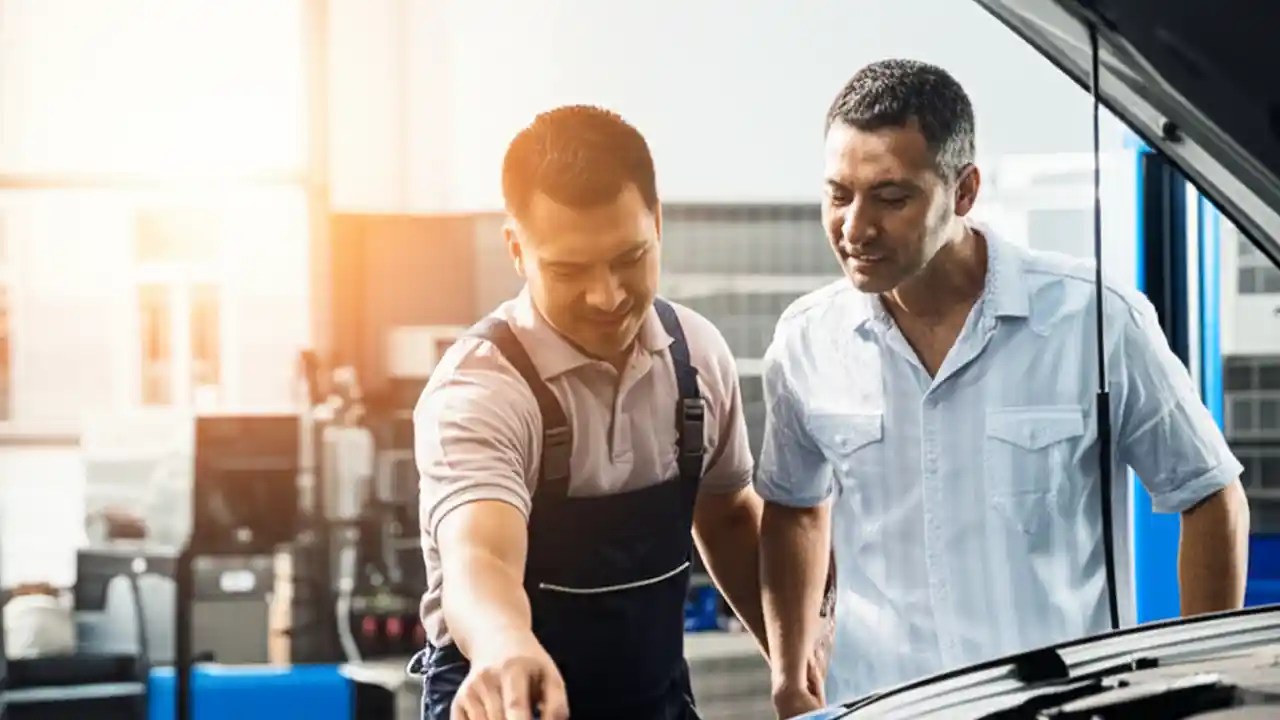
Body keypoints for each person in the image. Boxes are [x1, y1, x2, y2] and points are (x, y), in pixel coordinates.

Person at [755, 59, 1252, 717]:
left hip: (1066, 707)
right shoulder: (806, 341)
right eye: (838, 194)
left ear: (963, 192)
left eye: (891, 197)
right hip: (881, 706)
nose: (854, 228)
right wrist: (791, 673)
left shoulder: (1095, 319)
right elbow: (793, 508)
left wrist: (1202, 676)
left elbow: (1210, 495)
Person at [409, 104, 767, 720]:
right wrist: (504, 647)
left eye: (629, 258)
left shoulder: (697, 358)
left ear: (657, 222)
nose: (608, 296)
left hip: (653, 702)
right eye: (569, 270)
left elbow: (731, 517)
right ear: (517, 251)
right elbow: (481, 556)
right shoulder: (481, 390)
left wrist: (798, 657)